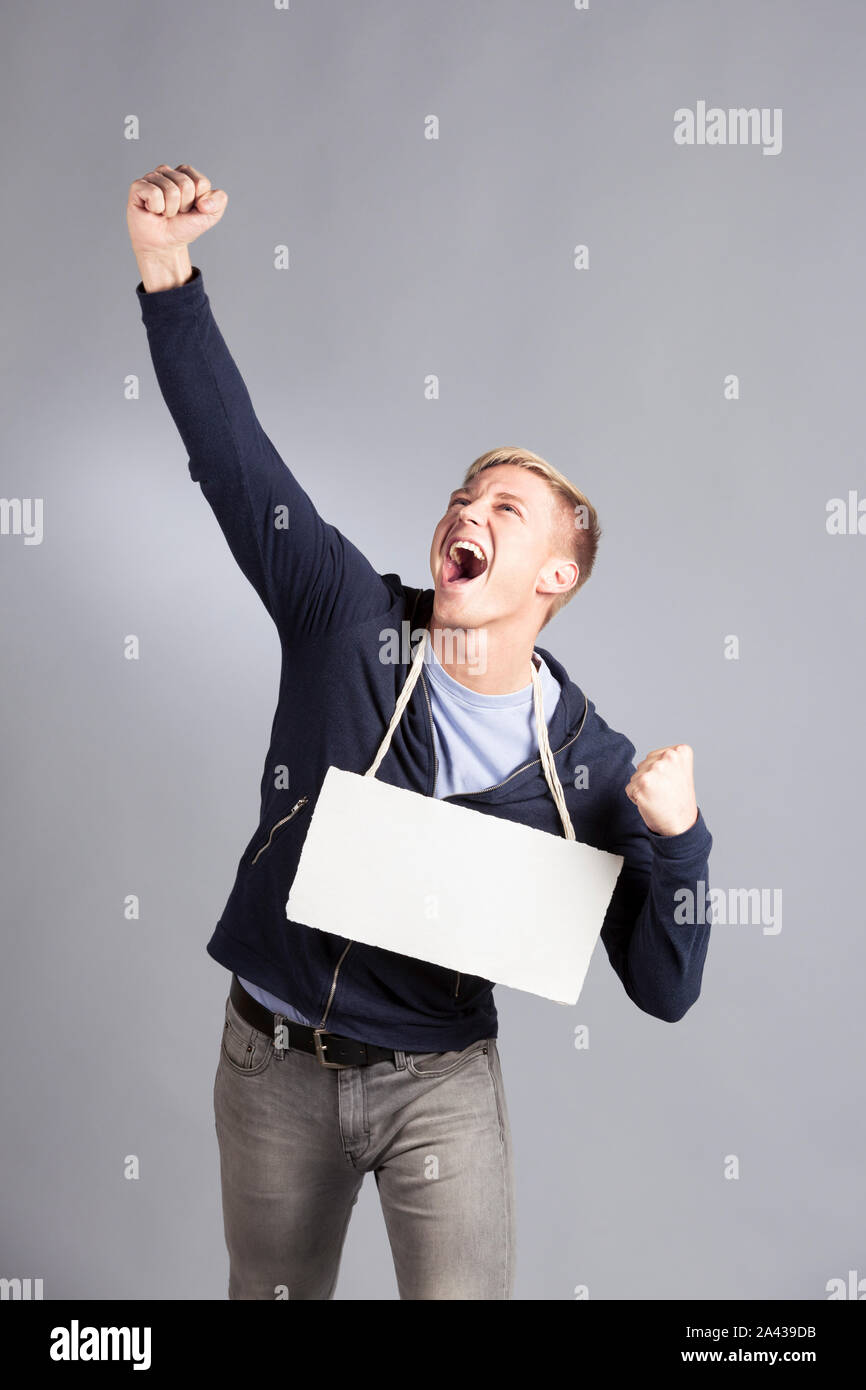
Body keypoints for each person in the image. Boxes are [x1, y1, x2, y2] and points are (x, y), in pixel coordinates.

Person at [127, 163, 714, 1301]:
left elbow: (662, 988)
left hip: (437, 1080)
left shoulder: (595, 768)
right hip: (272, 1060)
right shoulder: (343, 618)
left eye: (503, 508)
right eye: (461, 494)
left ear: (555, 573)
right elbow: (236, 461)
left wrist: (679, 844)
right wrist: (166, 268)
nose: (464, 513)